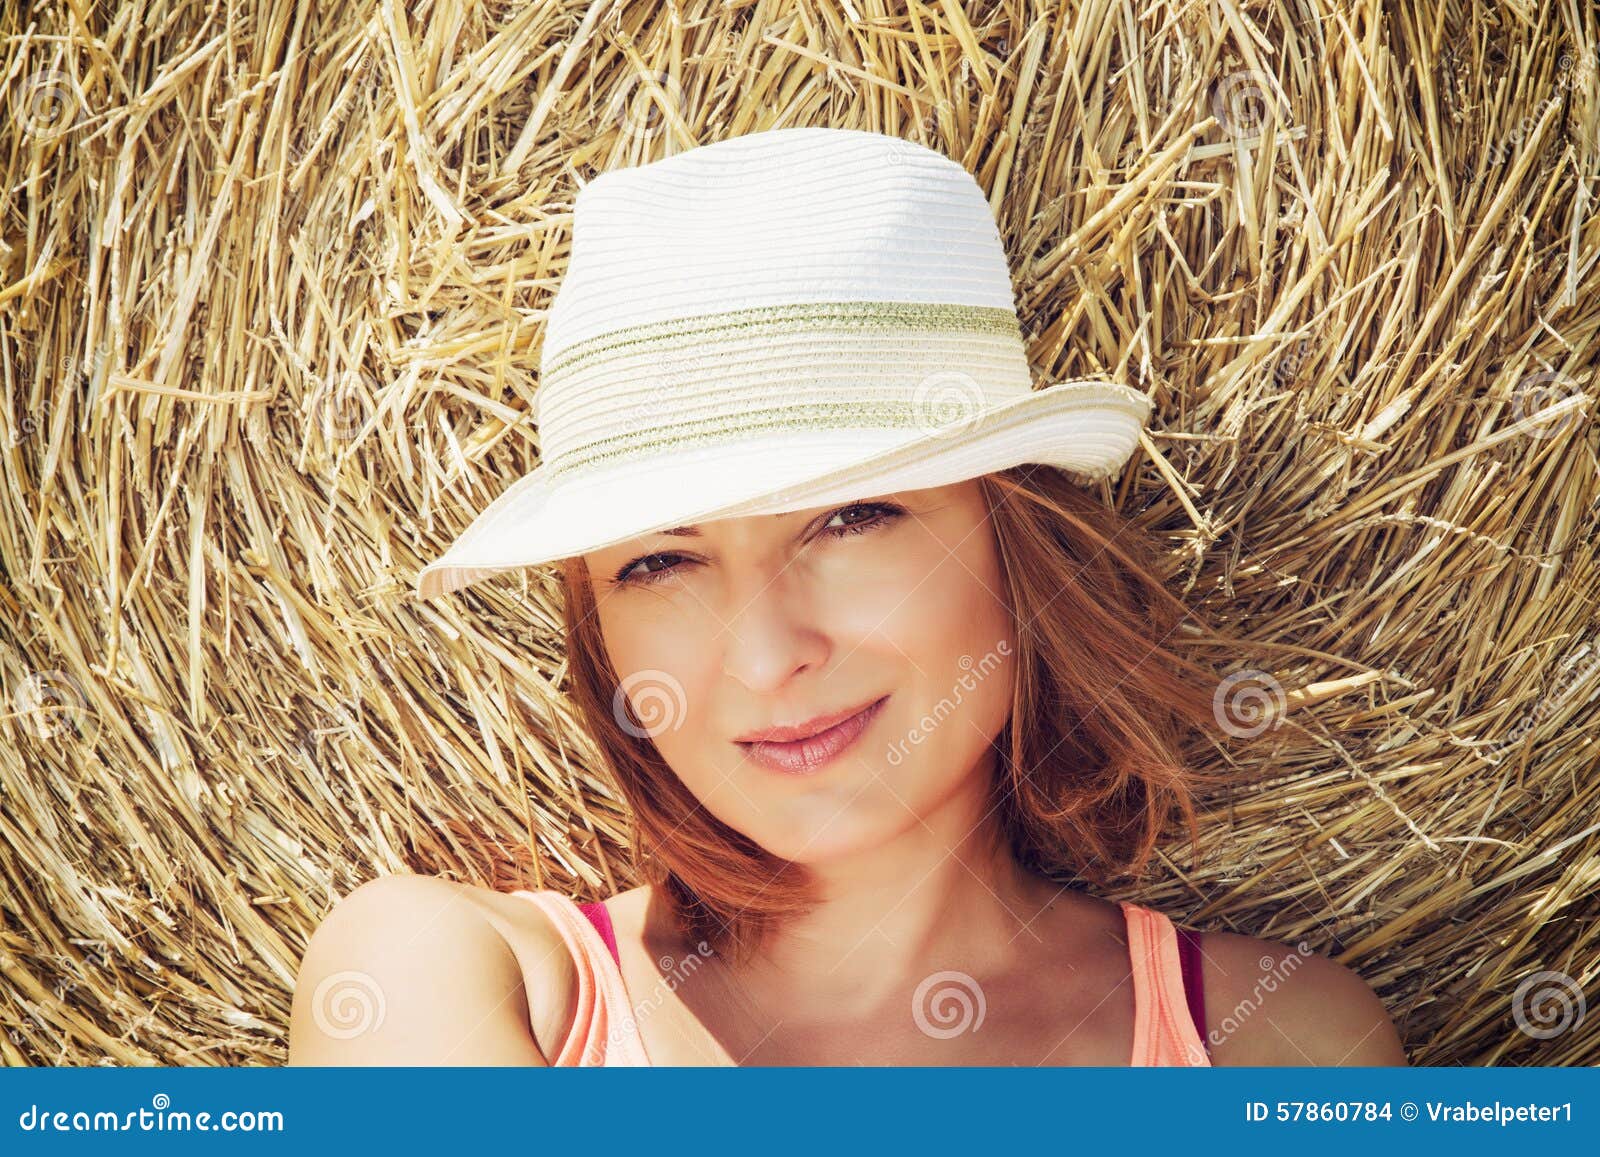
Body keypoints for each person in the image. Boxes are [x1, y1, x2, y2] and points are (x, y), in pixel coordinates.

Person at [287, 127, 1407, 1067]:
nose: (766, 654)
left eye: (850, 517)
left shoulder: (1282, 1040)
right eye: (659, 562)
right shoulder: (434, 976)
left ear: (1019, 546)